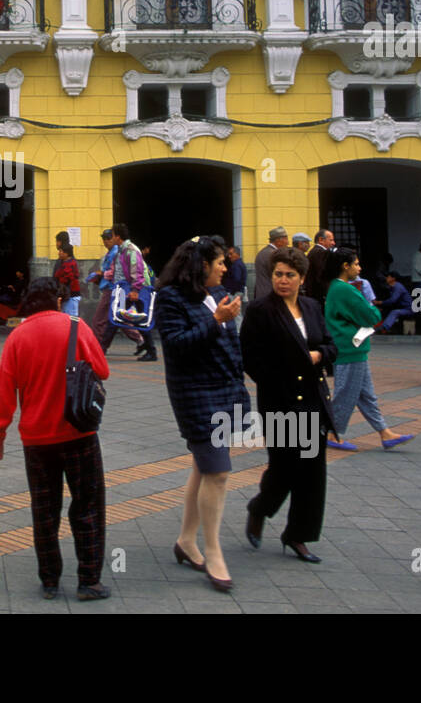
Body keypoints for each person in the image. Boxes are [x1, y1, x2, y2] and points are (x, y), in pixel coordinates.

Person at [0, 278, 111, 601]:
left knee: (44, 510)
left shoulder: (17, 337)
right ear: (57, 300)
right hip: (78, 433)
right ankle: (89, 581)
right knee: (88, 506)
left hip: (36, 439)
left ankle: (50, 580)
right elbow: (102, 368)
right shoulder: (76, 326)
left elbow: (3, 393)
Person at [155, 237, 248, 592]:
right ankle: (213, 550)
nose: (225, 268)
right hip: (194, 392)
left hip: (223, 388)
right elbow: (176, 346)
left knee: (204, 466)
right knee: (219, 472)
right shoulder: (169, 297)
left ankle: (186, 540)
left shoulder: (218, 292)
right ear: (200, 265)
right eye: (219, 262)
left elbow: (230, 342)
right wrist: (216, 320)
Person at [240, 247, 339, 564]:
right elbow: (250, 357)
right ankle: (260, 508)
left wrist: (319, 354)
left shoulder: (311, 307)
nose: (283, 280)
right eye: (278, 274)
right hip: (279, 400)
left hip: (311, 398)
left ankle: (298, 534)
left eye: (289, 275)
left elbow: (330, 343)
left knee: (311, 470)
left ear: (302, 278)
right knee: (284, 467)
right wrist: (276, 373)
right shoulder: (260, 310)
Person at [322, 248, 414, 451]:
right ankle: (332, 433)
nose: (359, 267)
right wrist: (371, 308)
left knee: (366, 395)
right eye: (356, 264)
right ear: (345, 267)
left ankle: (385, 433)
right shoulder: (345, 289)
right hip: (351, 348)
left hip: (352, 347)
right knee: (346, 393)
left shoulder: (337, 288)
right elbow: (371, 315)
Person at [106, 223, 156, 361]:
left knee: (121, 318)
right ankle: (151, 350)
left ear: (117, 236)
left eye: (112, 234)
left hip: (135, 290)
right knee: (134, 320)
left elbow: (137, 270)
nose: (111, 237)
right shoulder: (123, 250)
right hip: (128, 289)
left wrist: (135, 290)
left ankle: (101, 349)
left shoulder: (131, 250)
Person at [88, 228, 143, 352]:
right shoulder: (117, 251)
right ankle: (142, 341)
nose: (106, 242)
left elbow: (131, 270)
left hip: (114, 289)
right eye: (104, 239)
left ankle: (100, 347)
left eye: (108, 238)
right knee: (119, 319)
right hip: (115, 288)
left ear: (116, 237)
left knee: (100, 320)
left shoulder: (124, 251)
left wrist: (102, 274)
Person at [252, 226, 288, 302]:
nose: (288, 243)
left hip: (262, 294)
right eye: (286, 239)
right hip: (269, 296)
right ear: (278, 241)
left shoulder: (264, 252)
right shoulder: (273, 254)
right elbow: (277, 276)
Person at [305, 229, 335, 303]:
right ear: (321, 240)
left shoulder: (315, 252)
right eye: (331, 240)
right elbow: (322, 275)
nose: (333, 243)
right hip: (318, 296)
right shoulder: (320, 252)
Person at [54, 241, 81, 316]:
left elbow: (65, 279)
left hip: (71, 296)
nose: (59, 253)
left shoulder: (70, 264)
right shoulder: (64, 263)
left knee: (71, 318)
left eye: (60, 251)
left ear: (66, 253)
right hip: (67, 296)